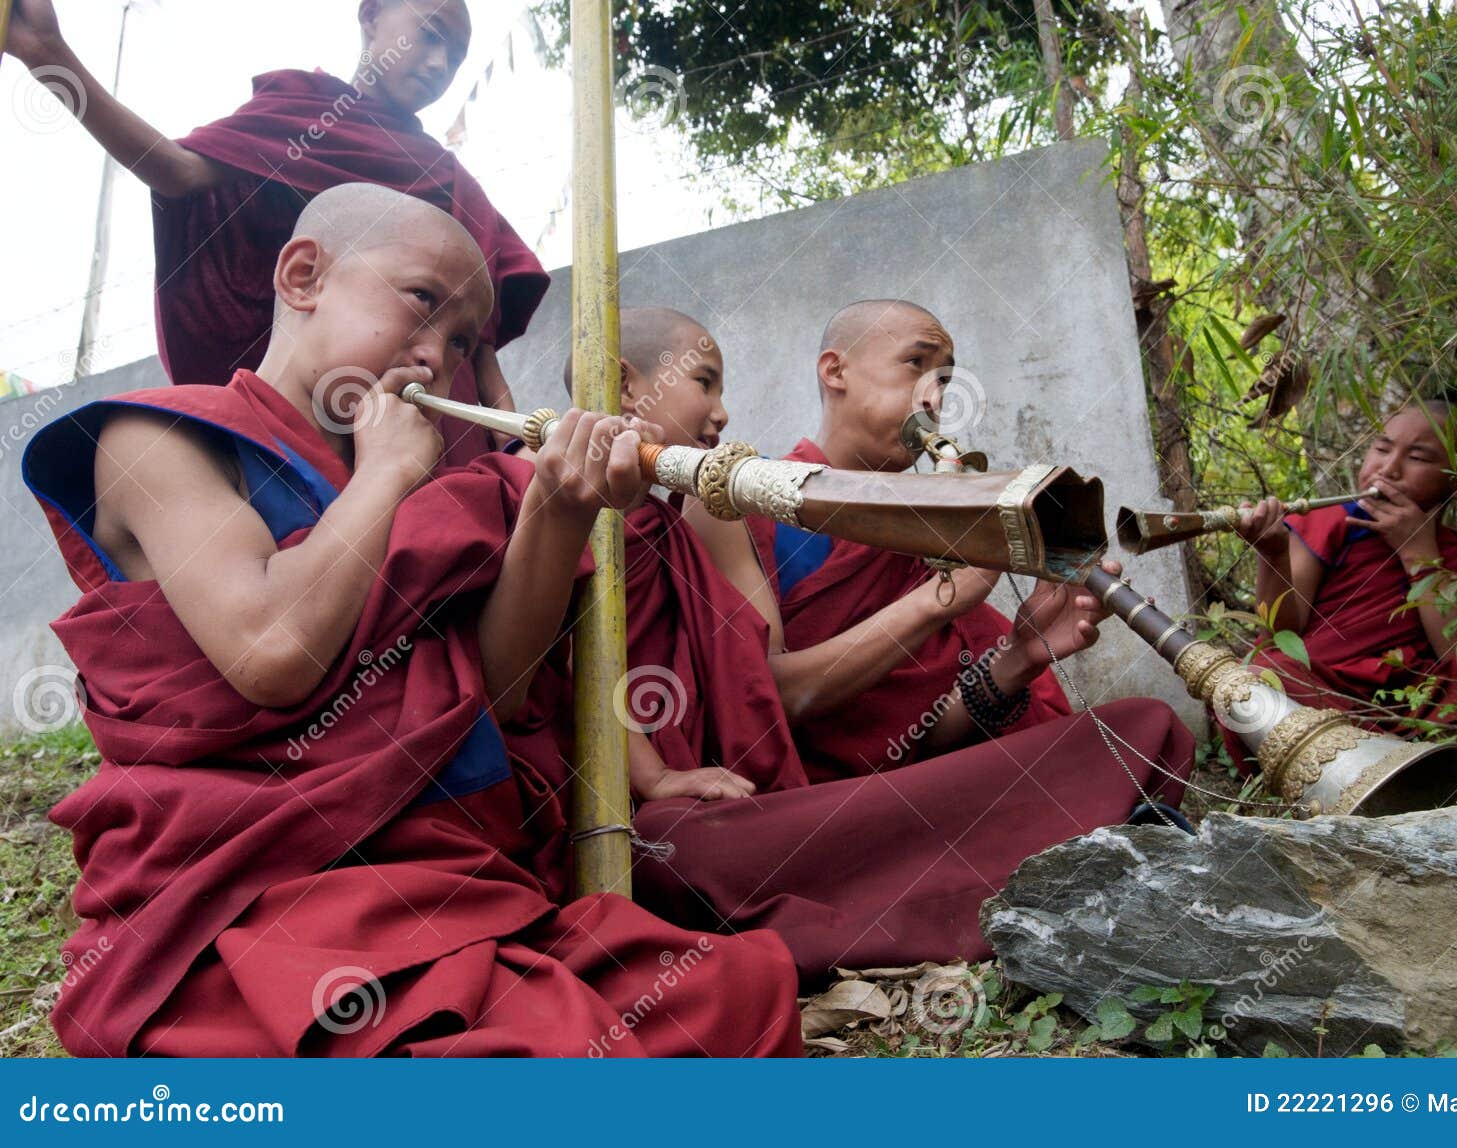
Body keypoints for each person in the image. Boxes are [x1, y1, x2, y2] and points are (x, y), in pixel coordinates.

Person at [21, 188, 800, 1058]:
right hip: (263, 904)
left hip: (439, 886)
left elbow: (494, 697)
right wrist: (385, 475)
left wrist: (555, 507)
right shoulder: (156, 440)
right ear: (304, 275)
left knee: (733, 993)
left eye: (464, 341)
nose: (435, 355)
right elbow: (270, 652)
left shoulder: (426, 482)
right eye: (422, 303)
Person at [518, 307, 1197, 982]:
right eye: (917, 364)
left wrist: (1014, 662)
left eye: (947, 379)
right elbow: (770, 693)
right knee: (681, 848)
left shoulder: (914, 534)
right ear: (833, 371)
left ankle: (1058, 846)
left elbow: (912, 739)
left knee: (1138, 728)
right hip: (748, 813)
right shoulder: (727, 501)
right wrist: (938, 602)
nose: (936, 397)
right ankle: (1054, 857)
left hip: (850, 804)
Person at [7, 0, 547, 467]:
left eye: (455, 55)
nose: (439, 63)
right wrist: (50, 57)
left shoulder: (450, 177)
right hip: (316, 419)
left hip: (438, 424)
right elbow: (178, 173)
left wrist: (514, 441)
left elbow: (476, 348)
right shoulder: (306, 111)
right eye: (431, 34)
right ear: (371, 15)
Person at [1229, 399, 1457, 756]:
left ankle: (1405, 754)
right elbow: (1279, 633)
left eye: (1417, 457)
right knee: (1262, 680)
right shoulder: (1332, 522)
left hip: (1420, 710)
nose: (1388, 468)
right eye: (1382, 448)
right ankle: (1381, 756)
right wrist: (1273, 552)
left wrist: (1418, 551)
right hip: (1320, 696)